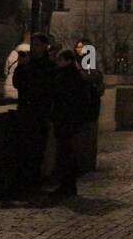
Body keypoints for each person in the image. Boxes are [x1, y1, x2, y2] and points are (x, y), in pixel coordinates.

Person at [12, 32, 56, 191]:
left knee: (36, 149)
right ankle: (24, 181)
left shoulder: (49, 65)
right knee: (24, 148)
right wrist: (21, 66)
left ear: (45, 46)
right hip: (25, 110)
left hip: (39, 112)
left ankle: (33, 180)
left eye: (37, 44)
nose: (34, 48)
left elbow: (43, 87)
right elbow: (17, 83)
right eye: (33, 44)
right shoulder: (28, 63)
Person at [50, 49, 90, 196]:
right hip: (72, 120)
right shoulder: (76, 76)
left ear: (67, 61)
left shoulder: (64, 77)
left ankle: (65, 186)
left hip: (65, 120)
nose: (57, 62)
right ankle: (69, 185)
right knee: (69, 153)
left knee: (65, 153)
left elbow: (60, 97)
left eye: (60, 60)